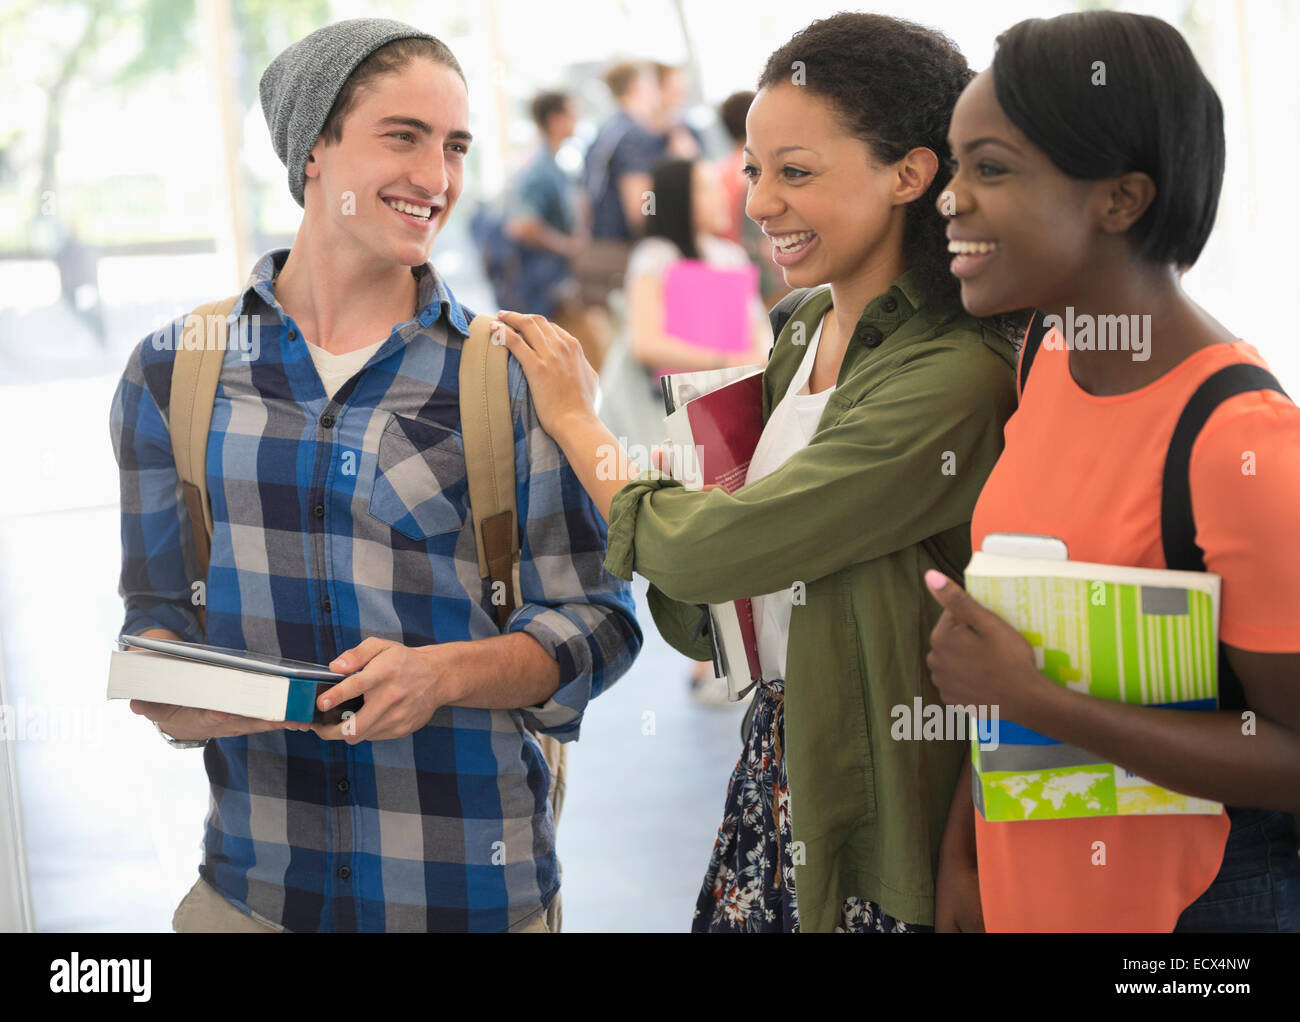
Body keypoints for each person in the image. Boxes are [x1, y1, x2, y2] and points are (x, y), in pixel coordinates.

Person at [108, 18, 641, 933]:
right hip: (254, 894)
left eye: (456, 146)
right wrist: (172, 691)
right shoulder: (174, 371)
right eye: (404, 136)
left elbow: (600, 624)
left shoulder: (508, 375)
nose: (436, 179)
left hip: (466, 898)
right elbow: (156, 619)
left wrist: (442, 676)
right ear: (314, 148)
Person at [494, 13, 1019, 931]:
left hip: (884, 808)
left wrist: (576, 420)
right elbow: (723, 597)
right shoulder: (803, 330)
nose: (758, 202)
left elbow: (718, 547)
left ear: (910, 173)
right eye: (752, 169)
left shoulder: (956, 375)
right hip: (779, 764)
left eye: (797, 171)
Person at [926, 10, 1300, 932]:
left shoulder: (1240, 441)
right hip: (1035, 890)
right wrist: (964, 867)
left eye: (992, 168)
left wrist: (1039, 702)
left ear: (1121, 199)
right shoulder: (1043, 358)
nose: (950, 197)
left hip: (1195, 916)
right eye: (954, 163)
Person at [619, 155, 771, 703]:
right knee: (703, 534)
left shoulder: (729, 254)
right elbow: (645, 340)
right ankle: (710, 653)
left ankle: (744, 650)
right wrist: (722, 356)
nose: (720, 196)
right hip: (681, 422)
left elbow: (759, 337)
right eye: (705, 188)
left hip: (734, 414)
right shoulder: (656, 258)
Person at [503, 90, 584, 321]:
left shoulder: (553, 166)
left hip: (550, 284)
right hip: (541, 288)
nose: (576, 121)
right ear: (555, 120)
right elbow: (520, 225)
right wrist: (567, 246)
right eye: (572, 115)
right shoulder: (540, 170)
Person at [583, 61, 662, 241]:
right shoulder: (633, 136)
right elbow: (641, 209)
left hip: (601, 239)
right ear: (636, 87)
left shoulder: (607, 129)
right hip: (622, 246)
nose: (657, 92)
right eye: (652, 84)